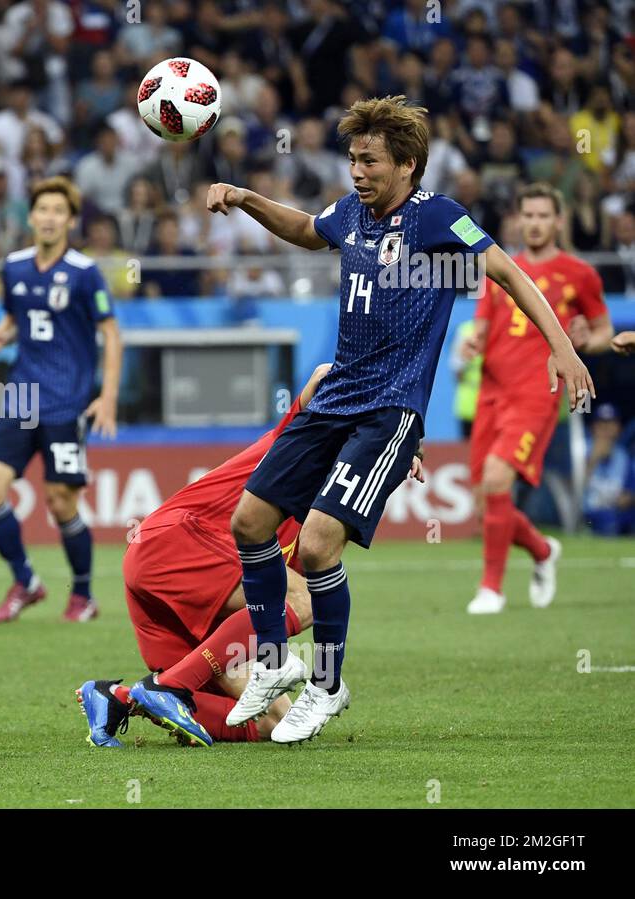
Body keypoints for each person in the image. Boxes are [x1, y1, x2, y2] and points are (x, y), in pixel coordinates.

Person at [206, 95, 593, 743]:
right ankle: (274, 661)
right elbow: (307, 229)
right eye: (353, 158)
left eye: (371, 161)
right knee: (249, 521)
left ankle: (326, 684)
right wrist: (247, 198)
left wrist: (561, 345)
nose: (357, 171)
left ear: (408, 163)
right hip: (334, 397)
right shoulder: (353, 214)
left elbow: (506, 271)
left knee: (321, 543)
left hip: (388, 409)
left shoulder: (437, 218)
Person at [77, 365, 429, 746]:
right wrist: (409, 429)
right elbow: (325, 375)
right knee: (307, 598)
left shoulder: (320, 527)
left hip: (176, 585)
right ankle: (169, 686)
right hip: (177, 546)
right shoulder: (298, 443)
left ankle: (118, 699)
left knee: (271, 723)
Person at [0, 176, 122, 624]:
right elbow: (16, 317)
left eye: (59, 211)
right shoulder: (15, 266)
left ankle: (83, 595)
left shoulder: (84, 272)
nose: (49, 217)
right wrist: (2, 333)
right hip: (21, 398)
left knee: (61, 502)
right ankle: (26, 581)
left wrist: (108, 397)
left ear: (70, 221)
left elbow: (111, 334)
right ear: (32, 216)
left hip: (67, 403)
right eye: (43, 209)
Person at [463, 184, 612, 615]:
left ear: (558, 222)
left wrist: (590, 342)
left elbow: (601, 330)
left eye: (543, 216)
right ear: (518, 219)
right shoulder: (498, 267)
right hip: (491, 393)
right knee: (485, 501)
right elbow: (482, 326)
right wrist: (471, 344)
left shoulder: (579, 273)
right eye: (527, 215)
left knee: (495, 481)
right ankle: (543, 550)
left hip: (536, 394)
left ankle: (491, 588)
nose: (534, 223)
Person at [583, 404, 635, 536]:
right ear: (593, 427)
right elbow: (571, 490)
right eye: (601, 425)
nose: (606, 429)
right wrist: (593, 459)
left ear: (618, 428)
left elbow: (629, 494)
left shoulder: (623, 457)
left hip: (614, 512)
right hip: (586, 514)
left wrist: (620, 501)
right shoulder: (580, 450)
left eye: (610, 424)